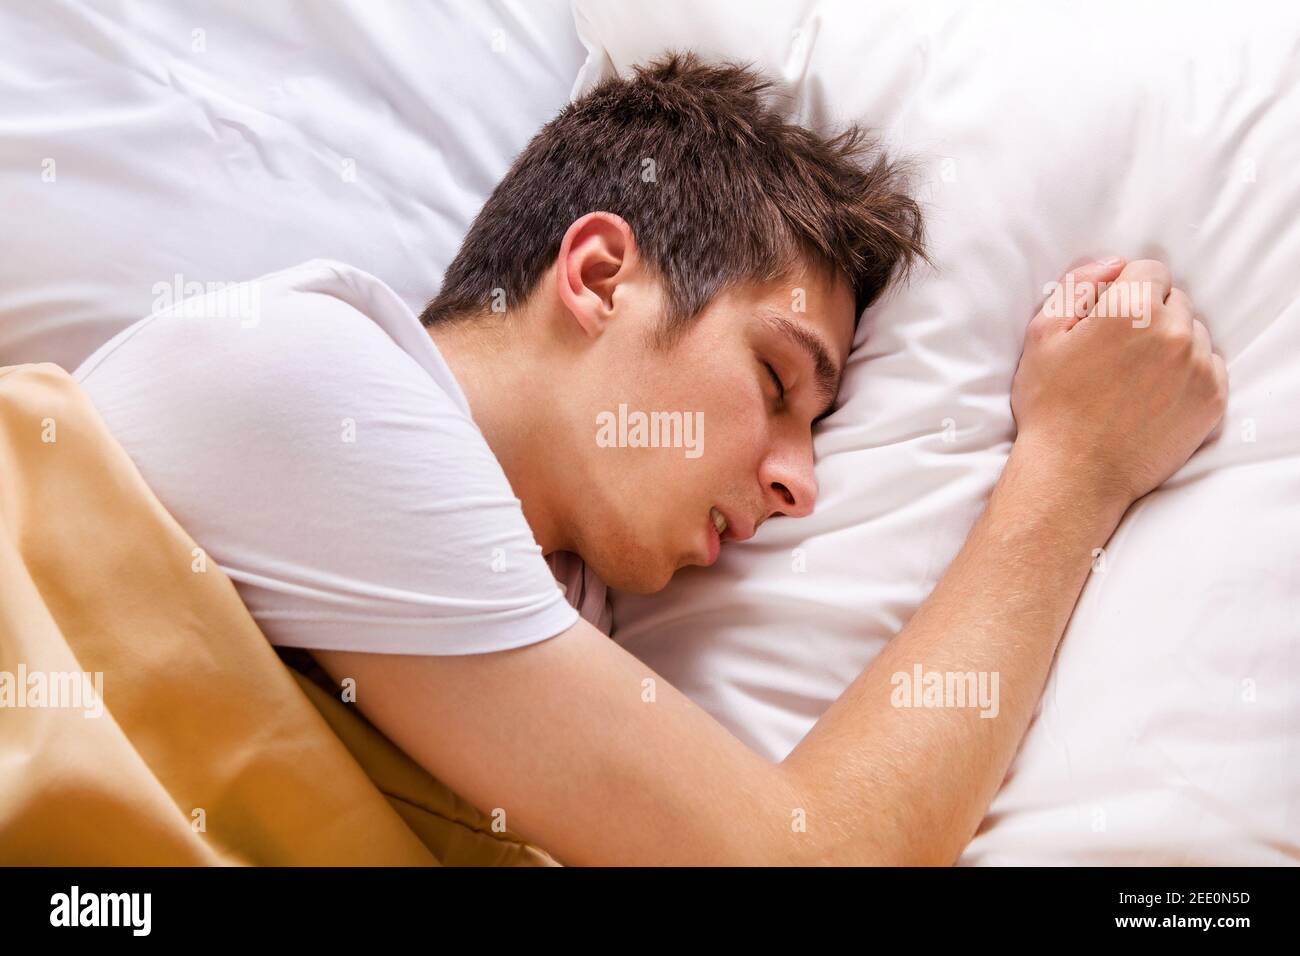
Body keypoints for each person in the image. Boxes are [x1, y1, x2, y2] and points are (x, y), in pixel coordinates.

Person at [75, 54, 1227, 865]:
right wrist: (1073, 470)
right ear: (596, 276)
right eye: (777, 382)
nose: (798, 483)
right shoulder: (306, 379)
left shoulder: (554, 615)